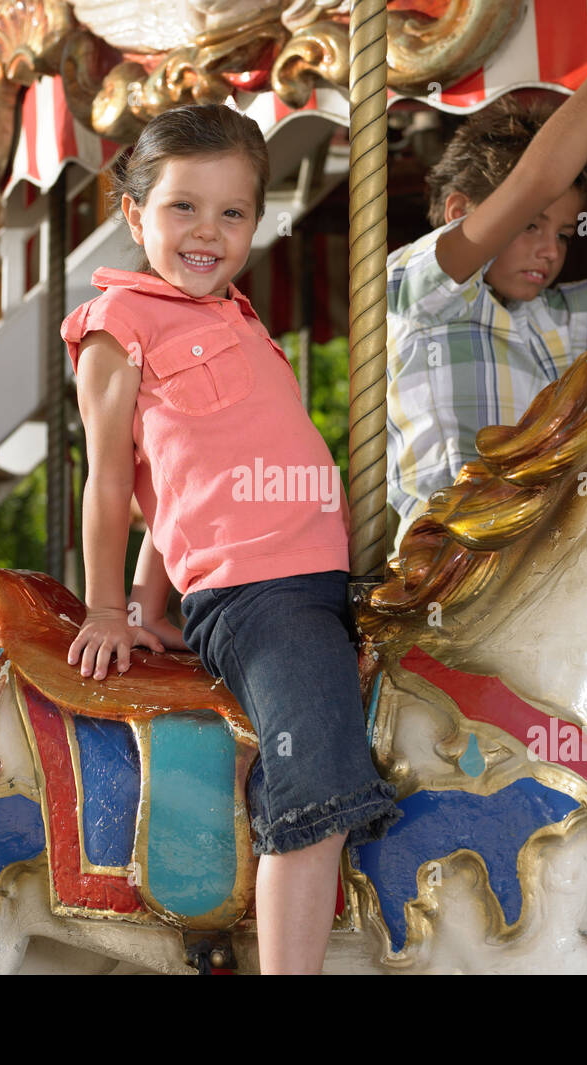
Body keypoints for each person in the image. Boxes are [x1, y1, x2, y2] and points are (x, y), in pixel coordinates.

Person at [61, 104, 399, 975]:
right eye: (183, 207)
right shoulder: (120, 327)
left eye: (233, 212)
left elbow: (178, 486)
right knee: (314, 769)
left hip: (325, 581)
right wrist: (105, 608)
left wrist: (149, 598)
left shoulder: (236, 316)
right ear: (134, 215)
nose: (208, 232)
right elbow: (111, 478)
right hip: (260, 595)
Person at [386, 0, 587, 546]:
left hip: (543, 540)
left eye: (564, 234)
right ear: (459, 213)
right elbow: (536, 181)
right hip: (453, 544)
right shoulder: (422, 290)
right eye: (530, 226)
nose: (550, 250)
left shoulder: (548, 314)